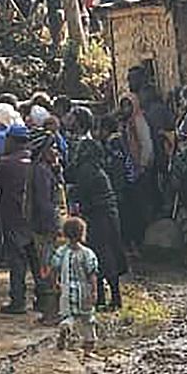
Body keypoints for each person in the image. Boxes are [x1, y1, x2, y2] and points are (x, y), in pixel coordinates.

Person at [0, 126, 58, 319]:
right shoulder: (38, 164)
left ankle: (19, 300)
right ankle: (43, 299)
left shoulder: (6, 164)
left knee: (17, 261)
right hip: (36, 222)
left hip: (14, 219)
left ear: (12, 141)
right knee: (38, 261)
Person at [65, 107, 126, 310]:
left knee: (102, 256)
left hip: (100, 215)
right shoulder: (95, 168)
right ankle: (106, 297)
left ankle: (111, 297)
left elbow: (79, 190)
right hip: (103, 213)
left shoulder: (88, 170)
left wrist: (71, 193)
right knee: (103, 255)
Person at [50, 216, 99, 354]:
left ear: (64, 233)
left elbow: (54, 268)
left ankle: (65, 326)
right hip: (84, 291)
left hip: (66, 291)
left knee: (68, 316)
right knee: (87, 318)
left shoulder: (61, 252)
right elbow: (92, 274)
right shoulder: (87, 253)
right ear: (82, 233)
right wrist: (94, 291)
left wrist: (56, 283)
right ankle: (89, 345)